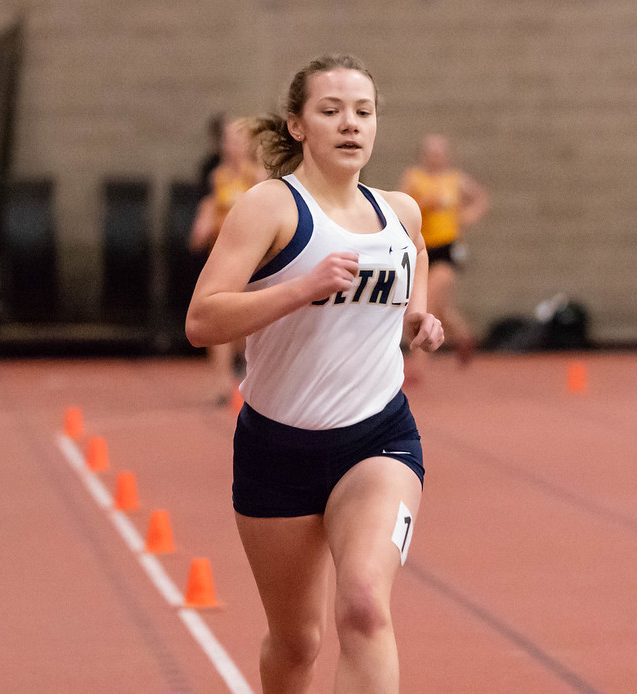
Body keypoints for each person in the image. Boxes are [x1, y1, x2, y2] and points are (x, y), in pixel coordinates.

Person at [186, 55, 444, 693]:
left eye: (364, 111)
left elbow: (414, 255)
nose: (350, 124)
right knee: (297, 643)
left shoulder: (400, 210)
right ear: (299, 126)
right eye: (331, 111)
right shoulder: (269, 207)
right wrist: (299, 289)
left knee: (363, 605)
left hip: (377, 440)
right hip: (277, 447)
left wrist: (418, 317)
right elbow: (202, 320)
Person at [190, 117, 267, 405]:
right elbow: (210, 208)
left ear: (248, 144)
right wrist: (206, 221)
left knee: (246, 326)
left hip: (252, 260)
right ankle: (222, 384)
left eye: (237, 140)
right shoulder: (218, 177)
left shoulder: (258, 178)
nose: (231, 146)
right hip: (222, 258)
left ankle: (250, 374)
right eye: (227, 141)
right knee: (217, 321)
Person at [400, 133, 488, 372]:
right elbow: (402, 209)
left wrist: (466, 216)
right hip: (421, 249)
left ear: (446, 156)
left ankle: (417, 366)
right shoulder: (414, 179)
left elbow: (480, 198)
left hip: (446, 251)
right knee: (443, 310)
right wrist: (425, 204)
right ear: (423, 156)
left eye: (439, 153)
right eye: (430, 153)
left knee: (425, 303)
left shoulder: (455, 181)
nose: (435, 158)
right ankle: (464, 336)